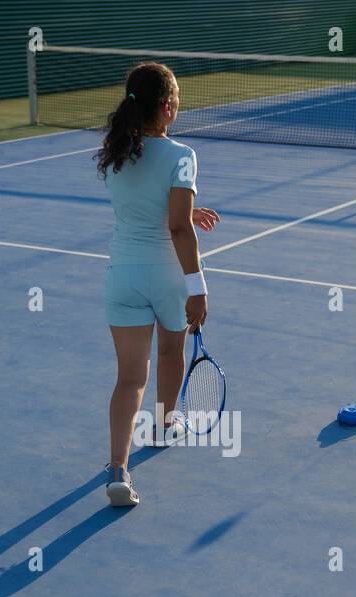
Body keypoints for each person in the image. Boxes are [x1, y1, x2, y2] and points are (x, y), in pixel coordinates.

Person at [96, 62, 220, 507]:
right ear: (167, 107)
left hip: (122, 276)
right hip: (168, 277)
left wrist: (188, 209)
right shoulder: (182, 155)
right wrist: (199, 286)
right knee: (171, 352)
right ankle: (167, 423)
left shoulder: (115, 152)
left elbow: (144, 201)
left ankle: (117, 469)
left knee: (129, 379)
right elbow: (179, 229)